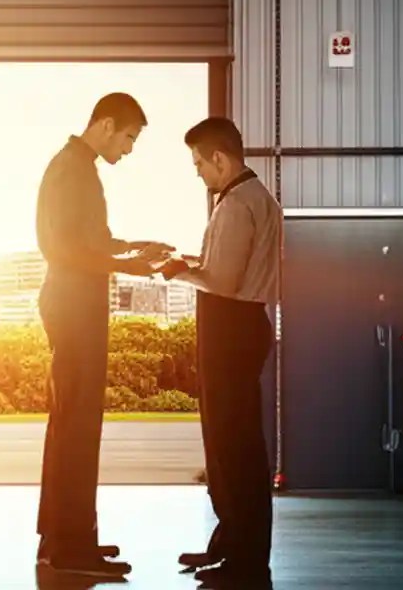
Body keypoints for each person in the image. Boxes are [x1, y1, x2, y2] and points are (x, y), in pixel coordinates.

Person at [34, 92, 173, 578]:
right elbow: (71, 249)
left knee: (69, 421)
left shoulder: (73, 166)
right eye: (130, 138)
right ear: (107, 124)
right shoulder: (75, 170)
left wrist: (136, 247)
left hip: (71, 301)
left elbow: (89, 241)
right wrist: (128, 265)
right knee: (78, 425)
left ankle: (61, 537)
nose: (129, 150)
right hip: (74, 304)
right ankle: (71, 550)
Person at [160, 117, 281, 588]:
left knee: (231, 449)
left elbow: (222, 282)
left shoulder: (234, 205)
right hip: (246, 327)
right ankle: (231, 547)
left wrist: (176, 270)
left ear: (219, 158)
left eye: (199, 163)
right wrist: (193, 262)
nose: (198, 173)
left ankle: (242, 560)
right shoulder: (259, 199)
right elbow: (227, 266)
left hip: (230, 331)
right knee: (238, 447)